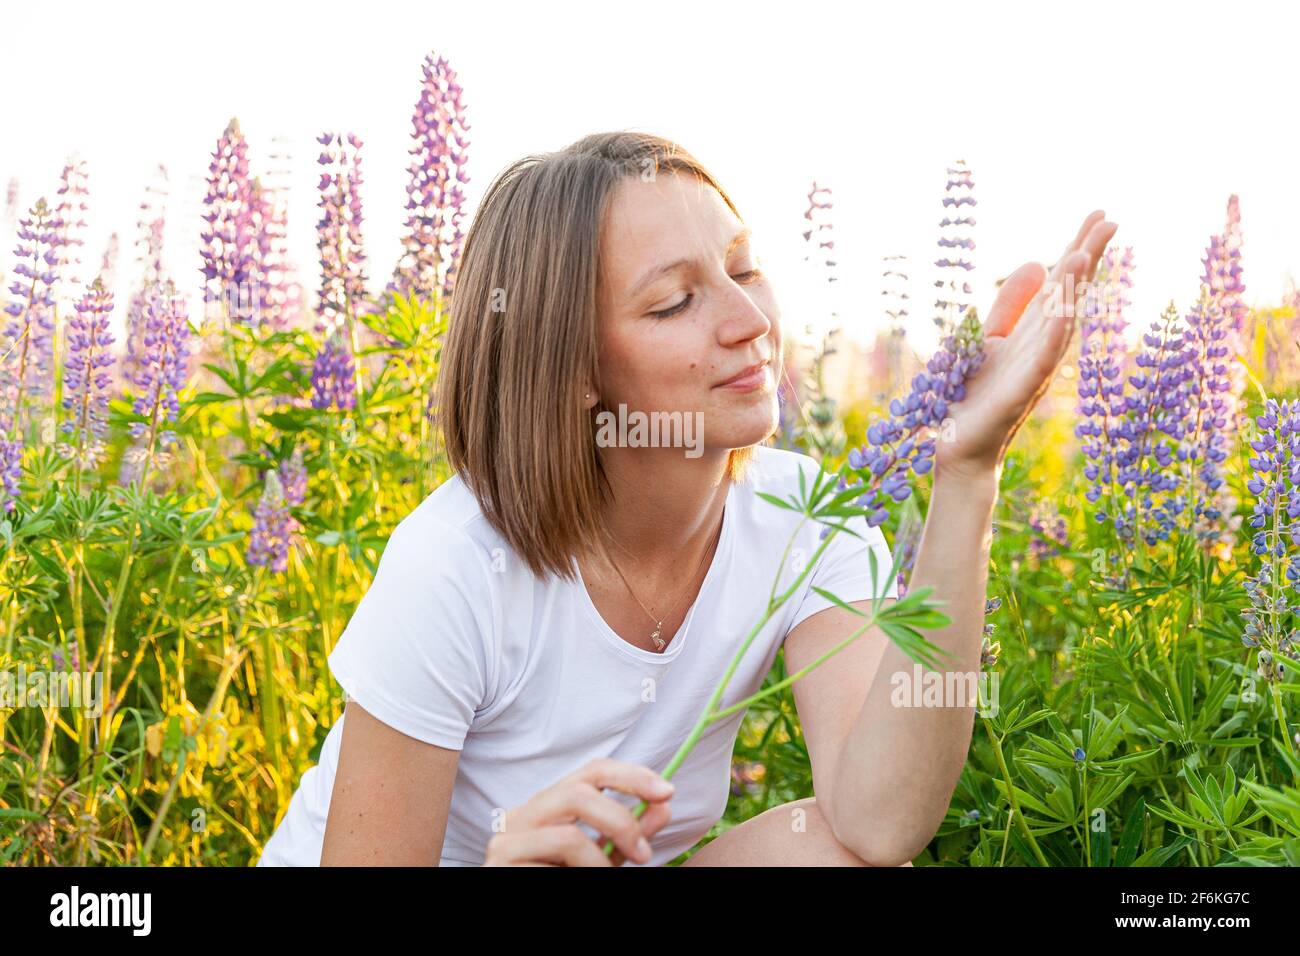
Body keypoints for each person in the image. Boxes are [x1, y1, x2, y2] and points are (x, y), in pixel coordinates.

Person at [257, 130, 1116, 867]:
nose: (750, 319)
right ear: (575, 371)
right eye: (674, 302)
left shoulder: (803, 517)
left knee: (833, 852)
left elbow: (880, 819)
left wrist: (967, 471)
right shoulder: (457, 564)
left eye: (745, 268)